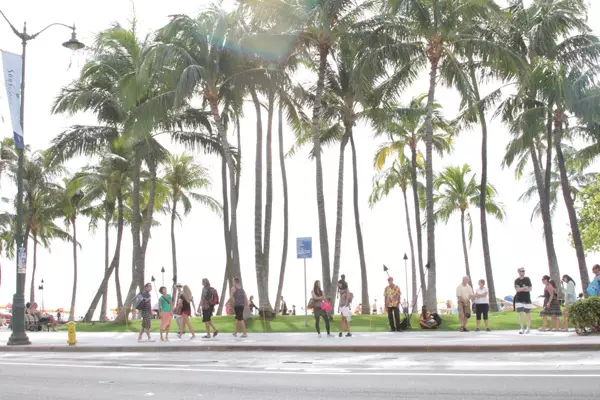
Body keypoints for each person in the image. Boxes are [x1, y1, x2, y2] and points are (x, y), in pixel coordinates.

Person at [514, 267, 533, 334]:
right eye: (522, 271)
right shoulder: (516, 280)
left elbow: (530, 289)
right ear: (519, 272)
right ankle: (522, 328)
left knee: (528, 313)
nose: (523, 272)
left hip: (527, 298)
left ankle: (528, 328)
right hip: (519, 299)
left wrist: (521, 288)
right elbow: (517, 290)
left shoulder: (527, 279)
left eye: (524, 271)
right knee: (521, 313)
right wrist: (524, 288)